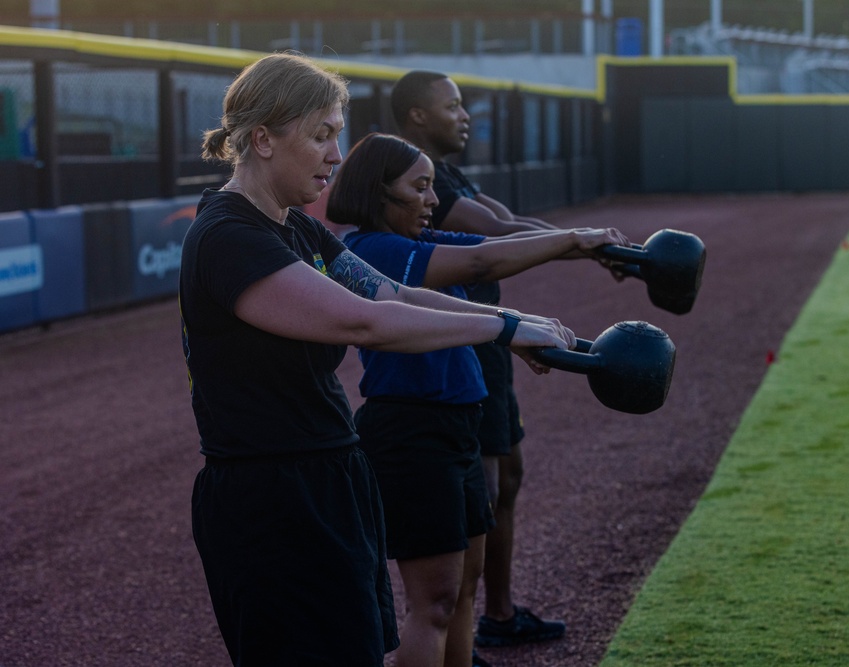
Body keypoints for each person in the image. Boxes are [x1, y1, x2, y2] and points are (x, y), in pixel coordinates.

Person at [178, 53, 575, 667]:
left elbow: (390, 292)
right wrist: (501, 330)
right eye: (321, 136)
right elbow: (362, 319)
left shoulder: (296, 229)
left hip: (332, 474)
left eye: (337, 135)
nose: (337, 156)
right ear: (261, 139)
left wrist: (512, 325)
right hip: (271, 495)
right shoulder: (229, 236)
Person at [325, 132, 628, 667]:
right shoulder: (375, 250)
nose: (431, 199)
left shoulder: (416, 244)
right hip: (412, 433)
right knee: (434, 604)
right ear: (380, 192)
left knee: (462, 590)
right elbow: (481, 263)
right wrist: (576, 239)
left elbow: (492, 257)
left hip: (455, 427)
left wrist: (532, 331)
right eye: (418, 188)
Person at [389, 69, 577, 651]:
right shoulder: (417, 181)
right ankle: (465, 641)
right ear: (418, 116)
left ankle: (486, 621)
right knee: (480, 497)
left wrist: (592, 244)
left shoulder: (444, 174)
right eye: (453, 105)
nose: (465, 114)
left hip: (486, 340)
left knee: (501, 480)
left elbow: (511, 228)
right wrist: (583, 243)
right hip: (465, 345)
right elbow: (492, 243)